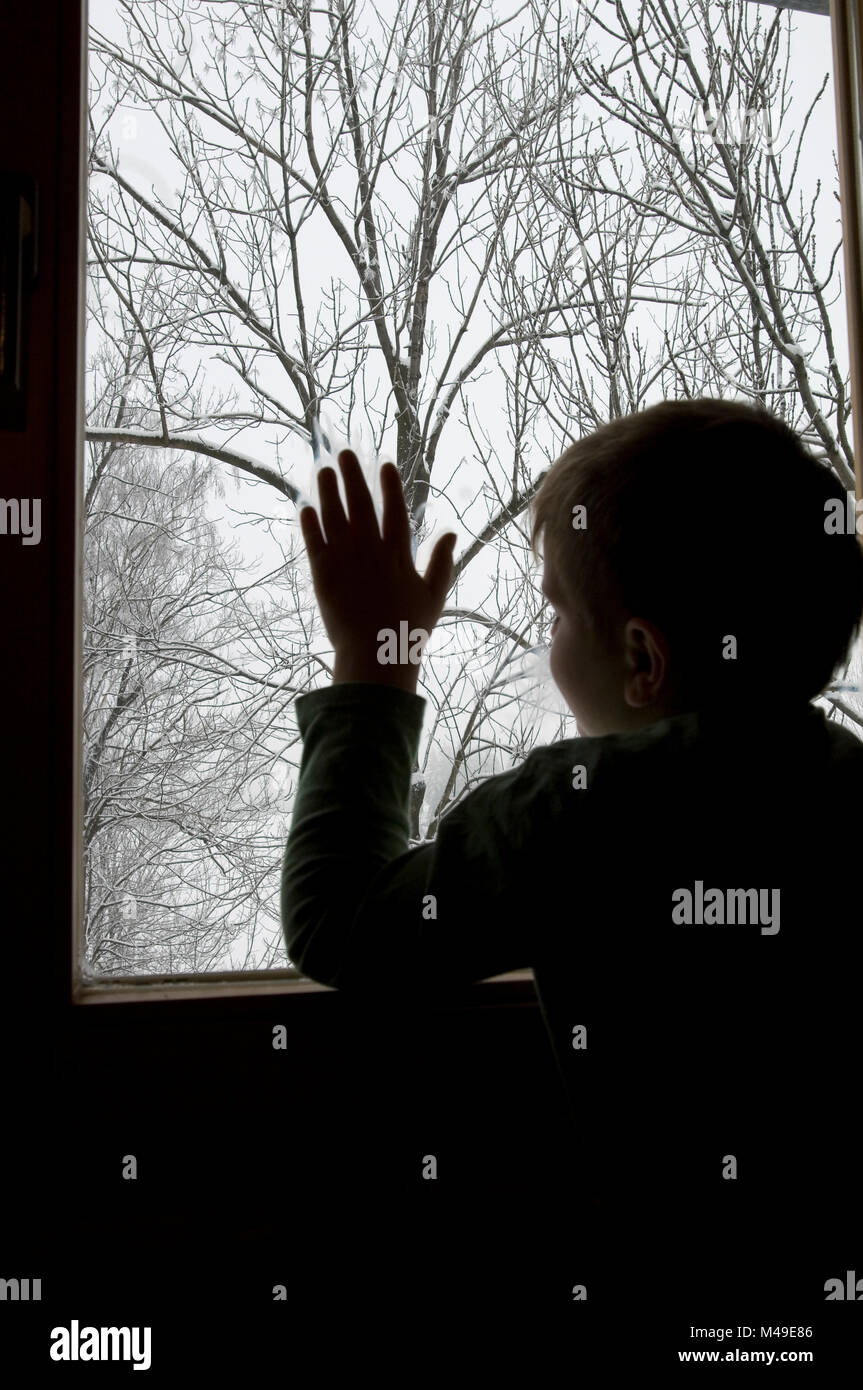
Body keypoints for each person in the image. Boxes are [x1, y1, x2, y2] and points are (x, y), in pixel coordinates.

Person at [281, 399, 863, 1322]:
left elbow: (341, 921)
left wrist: (372, 658)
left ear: (641, 656)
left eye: (555, 609)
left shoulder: (584, 810)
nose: (546, 640)